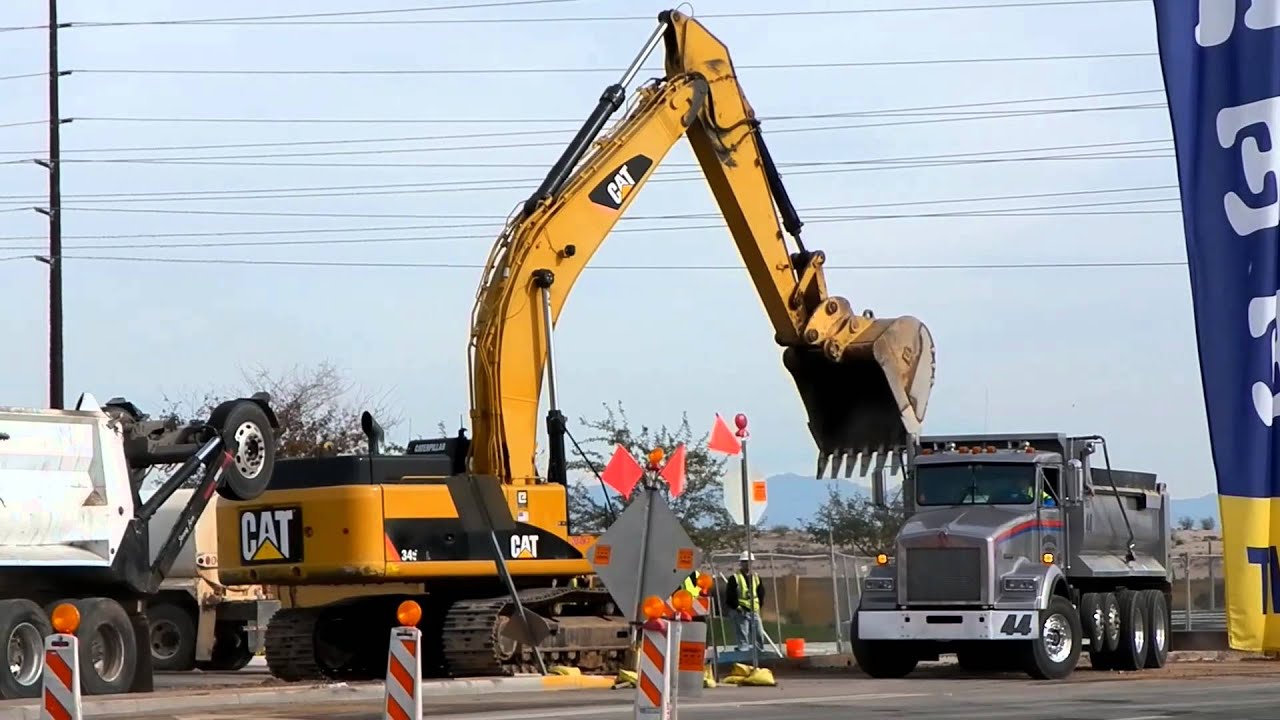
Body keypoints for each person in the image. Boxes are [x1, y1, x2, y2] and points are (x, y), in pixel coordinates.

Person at [725, 552, 765, 652]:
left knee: (759, 634)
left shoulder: (756, 577)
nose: (747, 564)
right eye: (745, 562)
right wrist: (737, 607)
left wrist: (759, 605)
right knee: (743, 635)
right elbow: (730, 596)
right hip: (740, 611)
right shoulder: (734, 578)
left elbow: (760, 593)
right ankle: (743, 655)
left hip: (754, 610)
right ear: (741, 563)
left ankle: (759, 653)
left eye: (749, 562)